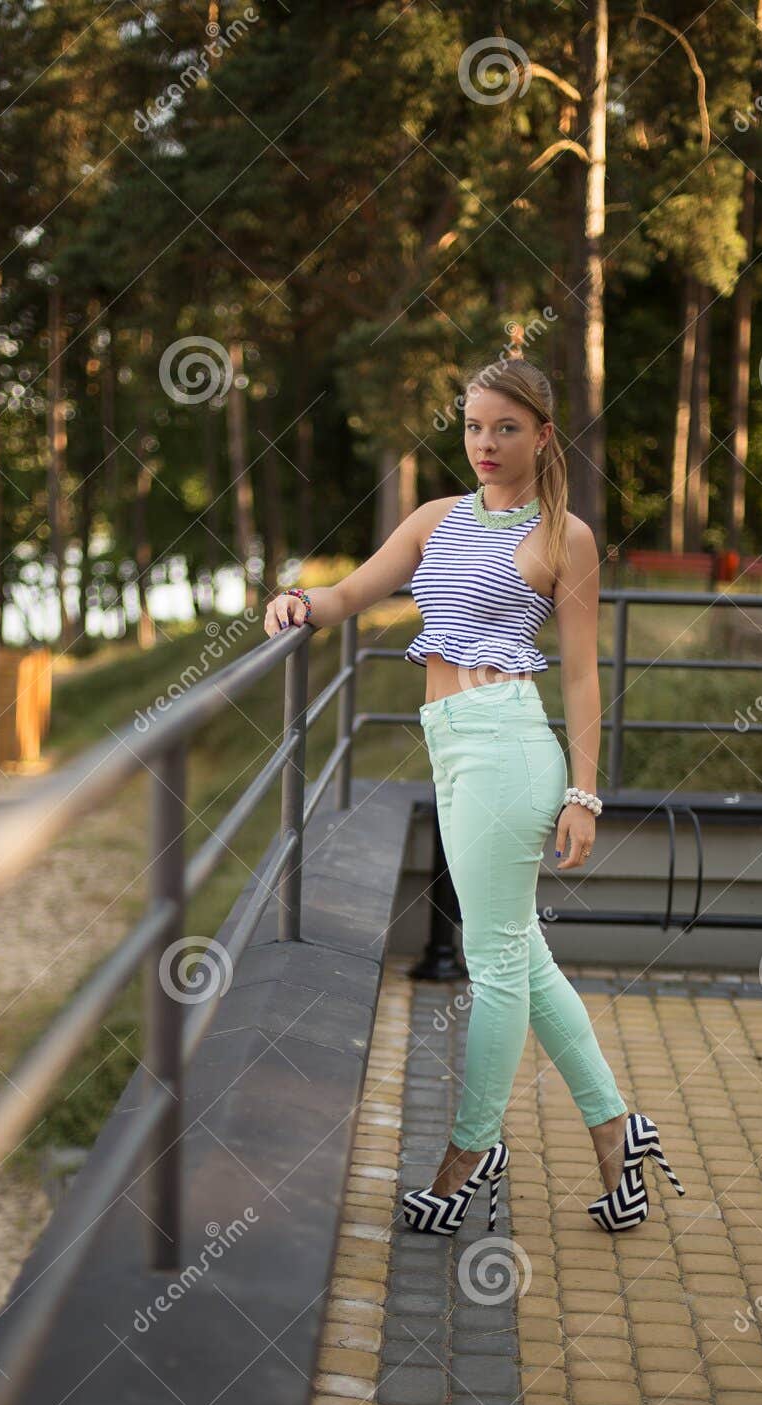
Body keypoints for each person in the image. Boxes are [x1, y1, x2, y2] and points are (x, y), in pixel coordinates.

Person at [263, 357, 683, 1237]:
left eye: (504, 428)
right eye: (472, 426)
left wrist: (585, 794)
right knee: (520, 959)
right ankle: (617, 1132)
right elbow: (348, 593)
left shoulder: (563, 537)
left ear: (541, 436)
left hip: (509, 748)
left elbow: (578, 677)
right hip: (451, 749)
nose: (485, 444)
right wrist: (298, 600)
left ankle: (469, 1152)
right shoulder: (434, 519)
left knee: (492, 967)